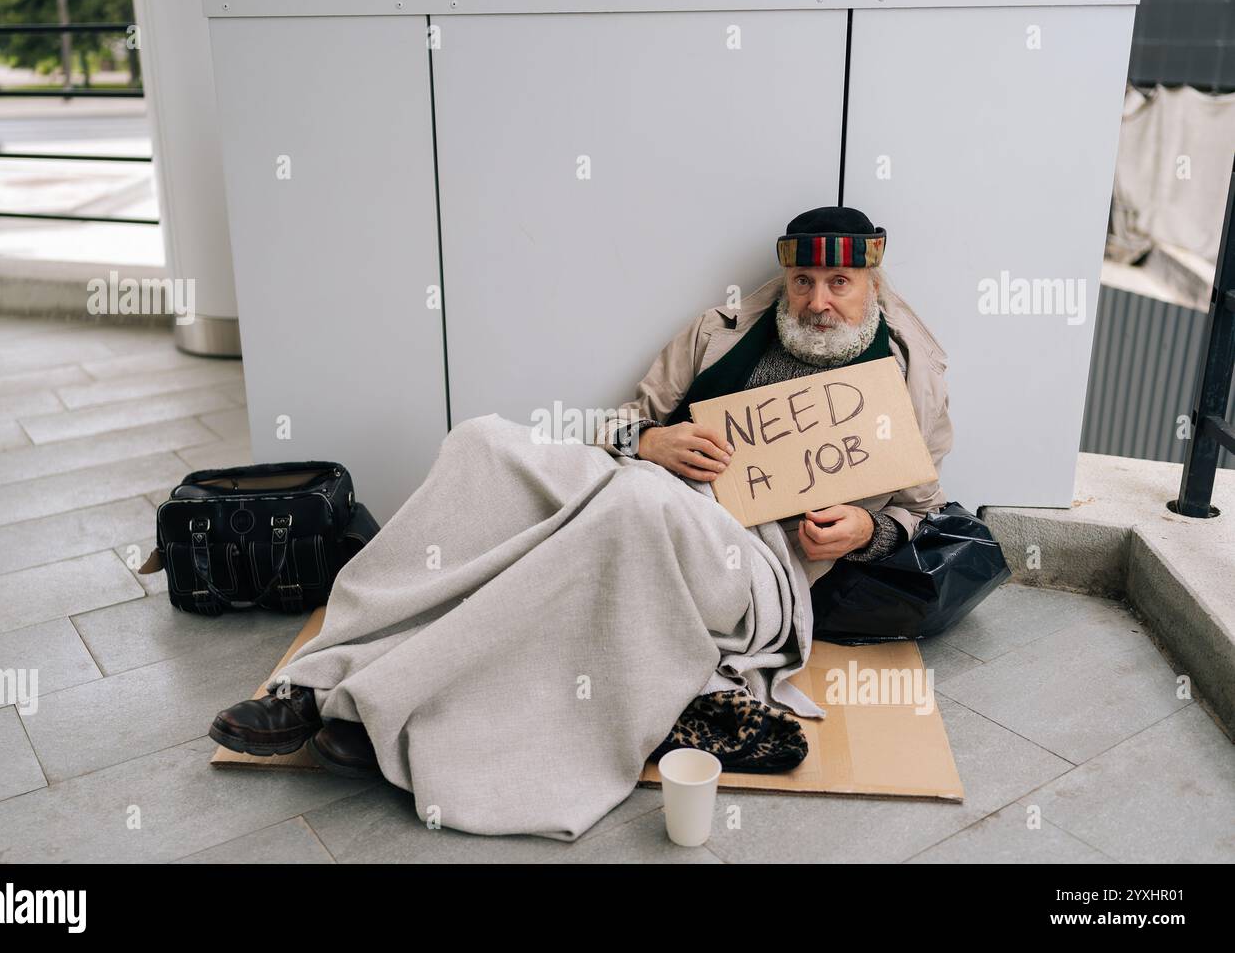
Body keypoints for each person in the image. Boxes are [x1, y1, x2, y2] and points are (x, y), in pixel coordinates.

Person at [209, 205, 954, 784]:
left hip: (753, 555)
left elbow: (918, 509)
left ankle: (373, 706)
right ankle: (314, 677)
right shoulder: (725, 332)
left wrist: (866, 530)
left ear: (871, 285)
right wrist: (649, 440)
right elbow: (628, 420)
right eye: (804, 282)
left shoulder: (906, 374)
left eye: (839, 283)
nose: (819, 301)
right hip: (650, 480)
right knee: (482, 444)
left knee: (635, 508)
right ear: (786, 281)